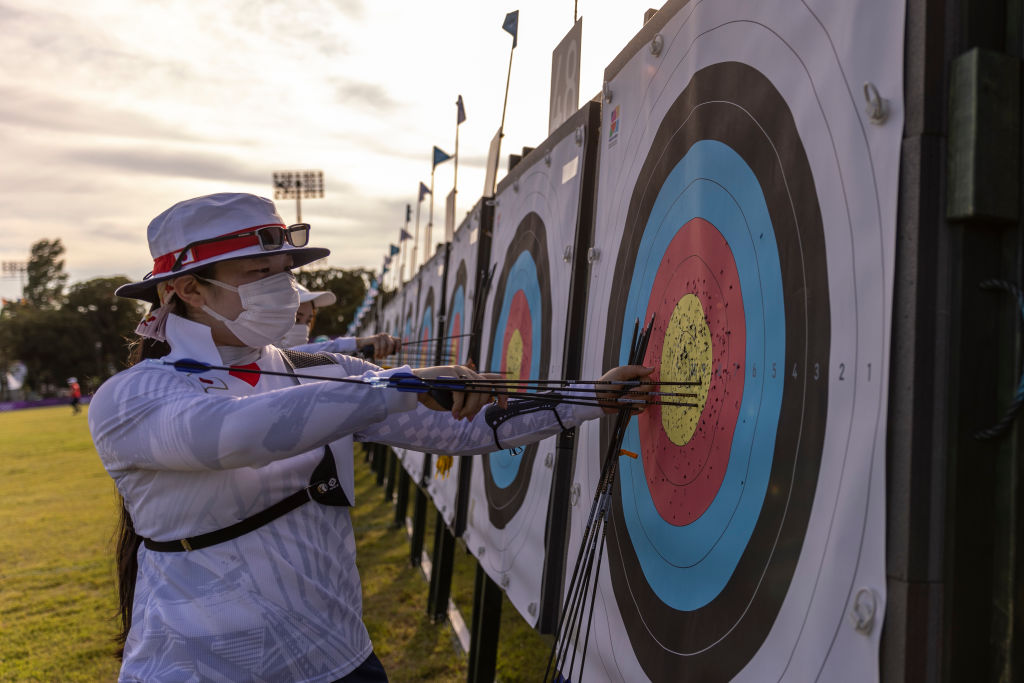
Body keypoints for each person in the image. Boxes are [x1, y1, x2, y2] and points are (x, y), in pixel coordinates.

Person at [88, 192, 652, 682]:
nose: (283, 289)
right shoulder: (131, 396)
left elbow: (466, 427)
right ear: (189, 289)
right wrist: (397, 386)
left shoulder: (326, 373)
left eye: (285, 271)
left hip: (338, 658)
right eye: (260, 275)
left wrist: (587, 399)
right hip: (199, 667)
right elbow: (231, 436)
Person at [279, 284, 400, 360]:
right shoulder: (265, 357)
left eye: (308, 321)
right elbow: (292, 354)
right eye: (297, 319)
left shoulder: (302, 364)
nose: (304, 327)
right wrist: (360, 343)